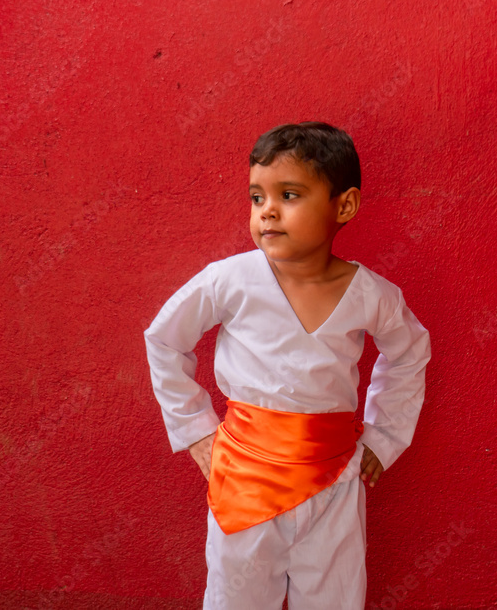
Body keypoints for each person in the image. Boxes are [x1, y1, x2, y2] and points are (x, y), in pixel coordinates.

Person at [143, 121, 431, 609]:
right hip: (245, 475)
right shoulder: (229, 280)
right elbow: (164, 341)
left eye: (289, 194)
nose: (267, 211)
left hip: (334, 481)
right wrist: (195, 430)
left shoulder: (373, 295)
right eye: (257, 197)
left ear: (344, 205)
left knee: (335, 600)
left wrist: (384, 437)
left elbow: (409, 352)